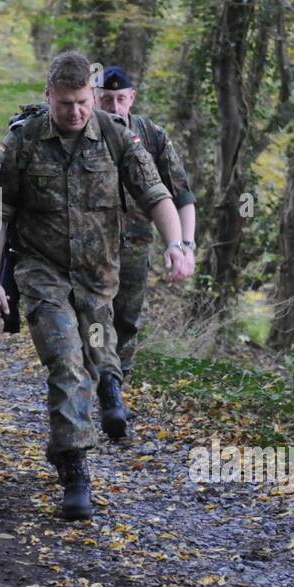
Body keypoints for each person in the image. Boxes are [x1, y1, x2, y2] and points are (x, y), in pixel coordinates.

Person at [0, 51, 194, 520]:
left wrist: (176, 244)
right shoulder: (23, 142)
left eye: (81, 102)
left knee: (98, 356)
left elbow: (156, 194)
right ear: (48, 96)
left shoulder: (117, 137)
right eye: (64, 103)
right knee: (66, 361)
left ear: (93, 96)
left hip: (99, 279)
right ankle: (74, 468)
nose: (75, 112)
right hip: (42, 273)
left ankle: (108, 394)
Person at [96, 66, 197, 387]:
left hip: (135, 244)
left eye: (120, 99)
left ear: (132, 98)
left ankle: (117, 386)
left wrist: (185, 246)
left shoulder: (152, 136)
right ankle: (93, 378)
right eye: (107, 100)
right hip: (90, 245)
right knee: (93, 316)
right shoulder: (84, 133)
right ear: (96, 98)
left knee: (126, 318)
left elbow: (182, 195)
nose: (114, 108)